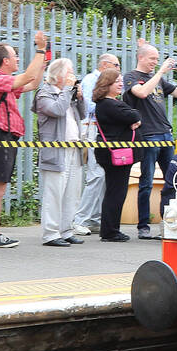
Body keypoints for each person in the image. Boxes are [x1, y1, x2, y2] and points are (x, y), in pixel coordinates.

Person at [0, 31, 49, 248]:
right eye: (15, 56)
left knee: (0, 185)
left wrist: (43, 60)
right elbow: (27, 78)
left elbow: (32, 83)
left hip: (7, 137)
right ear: (5, 61)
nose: (18, 59)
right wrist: (39, 50)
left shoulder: (5, 82)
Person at [123, 43, 177, 240]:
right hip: (148, 135)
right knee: (146, 182)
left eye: (157, 59)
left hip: (165, 133)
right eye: (152, 58)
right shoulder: (131, 77)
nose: (155, 62)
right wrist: (160, 72)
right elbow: (141, 93)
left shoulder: (158, 79)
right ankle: (143, 226)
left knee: (172, 180)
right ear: (141, 57)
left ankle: (169, 221)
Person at [35, 58, 88, 247]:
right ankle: (50, 233)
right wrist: (67, 90)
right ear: (57, 75)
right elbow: (56, 110)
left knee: (72, 193)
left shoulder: (67, 95)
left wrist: (79, 97)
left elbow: (83, 114)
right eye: (69, 72)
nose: (72, 76)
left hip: (74, 148)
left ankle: (66, 230)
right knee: (54, 193)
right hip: (56, 150)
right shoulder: (44, 94)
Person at [72, 53, 120, 236]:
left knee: (102, 175)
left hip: (100, 131)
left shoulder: (100, 80)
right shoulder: (92, 79)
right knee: (96, 175)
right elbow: (91, 106)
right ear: (105, 65)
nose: (118, 69)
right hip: (91, 130)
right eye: (116, 65)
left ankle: (93, 218)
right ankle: (80, 219)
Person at [93, 68, 142, 242]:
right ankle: (110, 231)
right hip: (115, 154)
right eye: (117, 81)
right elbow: (134, 115)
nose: (121, 83)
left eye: (121, 80)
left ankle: (111, 229)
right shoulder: (109, 104)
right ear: (107, 85)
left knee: (115, 190)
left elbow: (132, 116)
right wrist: (134, 119)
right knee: (116, 192)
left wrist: (134, 119)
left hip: (116, 153)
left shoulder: (111, 103)